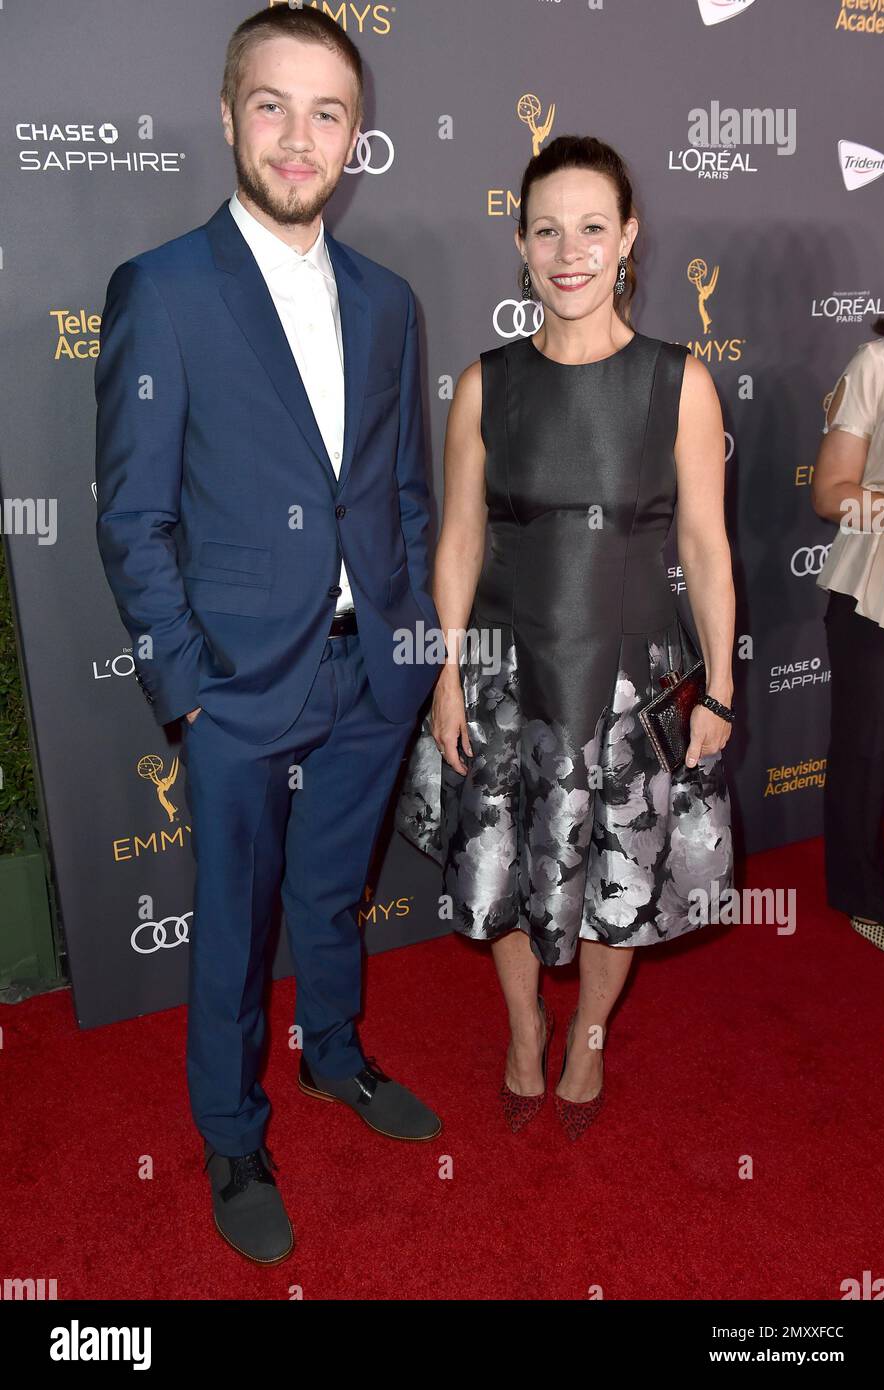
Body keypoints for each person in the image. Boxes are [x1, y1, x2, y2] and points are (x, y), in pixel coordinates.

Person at [94, 6, 442, 1265]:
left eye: (329, 112)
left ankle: (335, 1059)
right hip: (238, 693)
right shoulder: (165, 291)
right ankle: (232, 1135)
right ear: (230, 112)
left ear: (358, 137)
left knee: (333, 901)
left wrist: (409, 652)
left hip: (368, 677)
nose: (301, 139)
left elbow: (403, 489)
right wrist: (188, 691)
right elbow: (132, 519)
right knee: (234, 933)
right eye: (274, 105)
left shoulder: (389, 302)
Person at [396, 135, 735, 1141]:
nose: (570, 248)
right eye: (548, 228)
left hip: (631, 687)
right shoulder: (485, 384)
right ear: (522, 242)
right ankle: (522, 1028)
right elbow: (458, 537)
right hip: (505, 676)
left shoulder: (679, 381)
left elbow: (709, 549)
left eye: (593, 226)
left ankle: (588, 1035)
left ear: (629, 237)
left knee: (618, 889)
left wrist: (720, 686)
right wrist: (446, 671)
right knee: (494, 876)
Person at [812, 302, 884, 953]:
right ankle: (860, 893)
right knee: (866, 749)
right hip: (877, 586)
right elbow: (829, 491)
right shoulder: (878, 362)